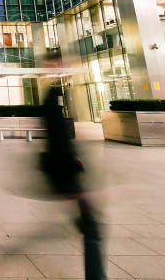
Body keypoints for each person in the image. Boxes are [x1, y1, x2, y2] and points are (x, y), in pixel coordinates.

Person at [41, 86, 106, 280]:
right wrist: (73, 160)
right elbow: (61, 143)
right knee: (91, 225)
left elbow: (58, 143)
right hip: (66, 171)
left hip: (62, 170)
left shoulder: (49, 111)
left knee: (89, 222)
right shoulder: (55, 114)